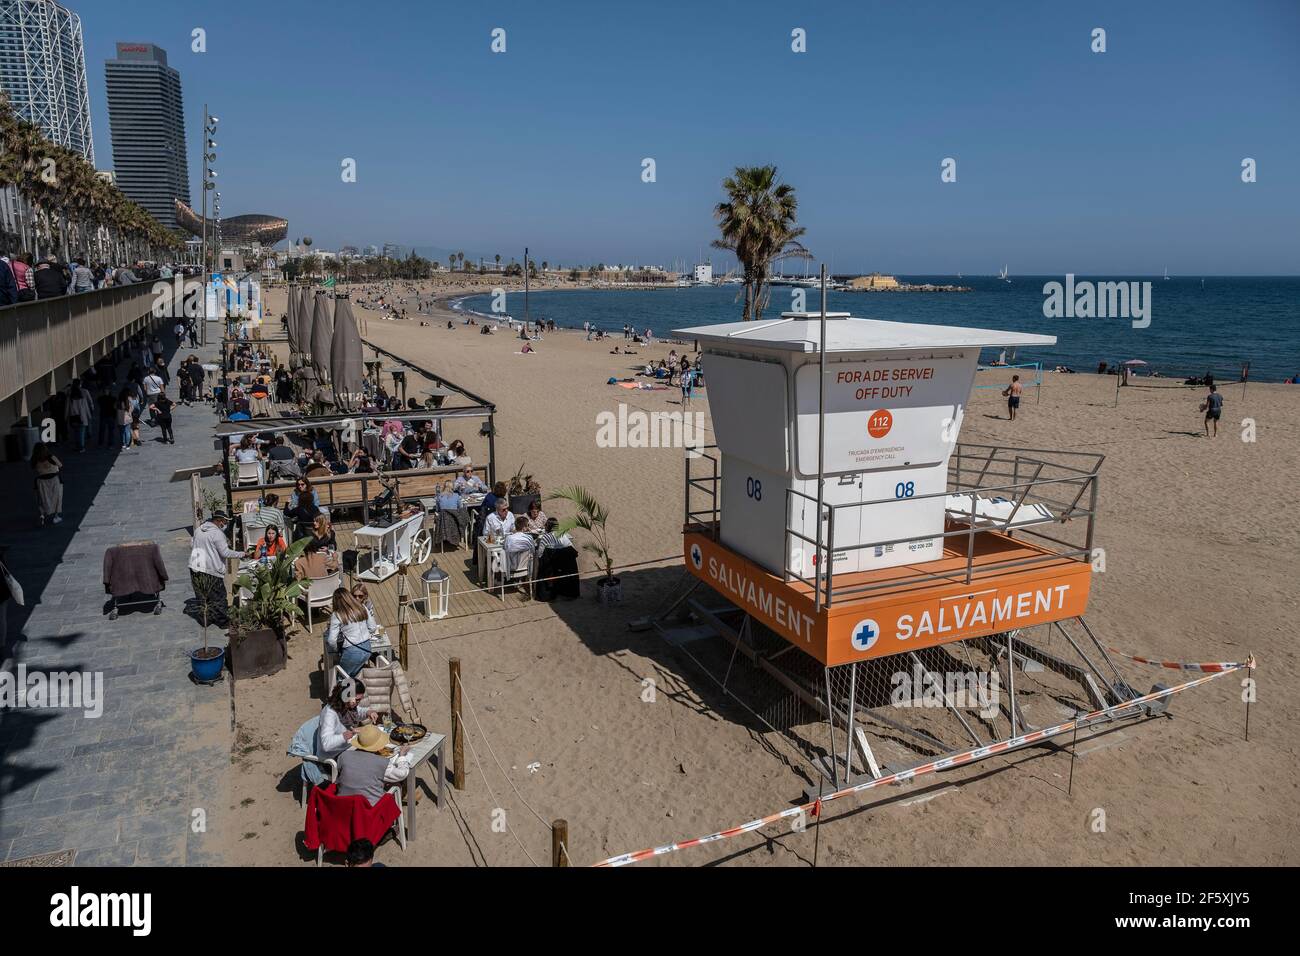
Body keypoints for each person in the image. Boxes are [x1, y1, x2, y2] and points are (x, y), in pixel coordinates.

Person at [334, 724, 413, 806]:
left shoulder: (344, 755)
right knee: (396, 785)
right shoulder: (381, 763)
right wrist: (402, 756)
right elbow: (402, 774)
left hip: (343, 804)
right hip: (369, 809)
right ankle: (401, 800)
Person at [188, 510, 243, 627]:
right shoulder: (217, 534)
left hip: (195, 567)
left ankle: (205, 620)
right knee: (219, 596)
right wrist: (241, 554)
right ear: (219, 521)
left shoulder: (199, 530)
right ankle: (223, 622)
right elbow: (225, 553)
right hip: (211, 570)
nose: (225, 524)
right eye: (224, 522)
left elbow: (191, 544)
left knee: (202, 596)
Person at [326, 587, 379, 678]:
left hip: (352, 651)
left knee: (342, 679)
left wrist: (336, 650)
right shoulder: (362, 607)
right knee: (355, 674)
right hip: (367, 648)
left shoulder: (337, 614)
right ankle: (357, 690)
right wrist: (364, 634)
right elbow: (373, 627)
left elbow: (331, 640)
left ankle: (347, 691)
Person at [31, 443, 63, 526]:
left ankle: (42, 515)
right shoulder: (51, 457)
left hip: (41, 481)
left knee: (42, 498)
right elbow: (60, 465)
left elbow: (33, 468)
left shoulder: (34, 458)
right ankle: (56, 517)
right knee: (57, 497)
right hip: (54, 479)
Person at [65, 380, 93, 453]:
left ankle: (78, 446)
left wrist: (65, 416)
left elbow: (67, 407)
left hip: (73, 417)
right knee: (81, 432)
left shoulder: (70, 395)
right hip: (82, 417)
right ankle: (81, 447)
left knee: (76, 432)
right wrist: (89, 415)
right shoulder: (83, 395)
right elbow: (87, 407)